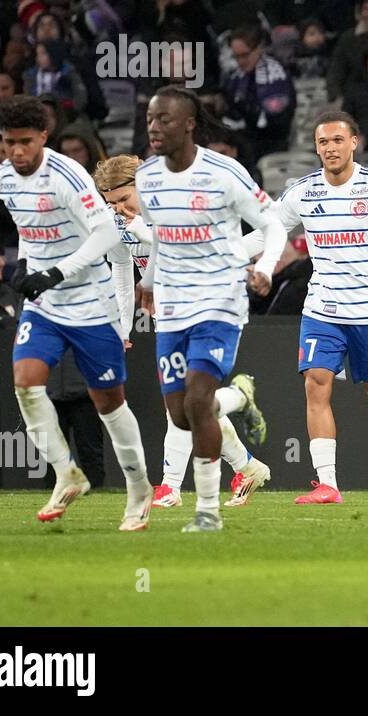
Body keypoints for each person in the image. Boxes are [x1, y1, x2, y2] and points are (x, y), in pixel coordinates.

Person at [252, 111, 368, 505]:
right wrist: (229, 254)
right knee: (315, 382)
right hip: (322, 309)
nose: (330, 148)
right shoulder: (303, 191)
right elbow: (269, 232)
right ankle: (328, 484)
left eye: (337, 140)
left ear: (354, 143)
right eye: (323, 142)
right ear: (316, 147)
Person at [0, 95, 151, 529]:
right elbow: (29, 230)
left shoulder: (68, 175)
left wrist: (56, 272)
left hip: (91, 303)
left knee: (109, 404)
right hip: (46, 303)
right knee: (26, 381)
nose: (17, 151)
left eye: (25, 141)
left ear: (44, 136)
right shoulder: (3, 178)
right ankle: (66, 473)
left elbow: (105, 235)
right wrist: (26, 264)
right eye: (9, 142)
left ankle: (139, 488)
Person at [136, 88, 286, 532]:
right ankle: (238, 397)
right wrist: (148, 282)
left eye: (164, 119)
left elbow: (273, 224)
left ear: (189, 124)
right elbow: (161, 237)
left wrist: (265, 267)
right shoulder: (147, 178)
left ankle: (207, 511)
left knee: (198, 399)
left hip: (219, 301)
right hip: (173, 306)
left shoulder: (224, 172)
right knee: (181, 413)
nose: (154, 127)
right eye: (150, 119)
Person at [93, 154, 269, 509]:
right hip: (170, 313)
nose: (119, 210)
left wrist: (232, 255)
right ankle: (247, 463)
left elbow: (178, 246)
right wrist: (122, 327)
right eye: (110, 203)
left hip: (211, 302)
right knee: (188, 402)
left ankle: (170, 487)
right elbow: (122, 272)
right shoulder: (116, 222)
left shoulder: (175, 206)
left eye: (124, 199)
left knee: (187, 398)